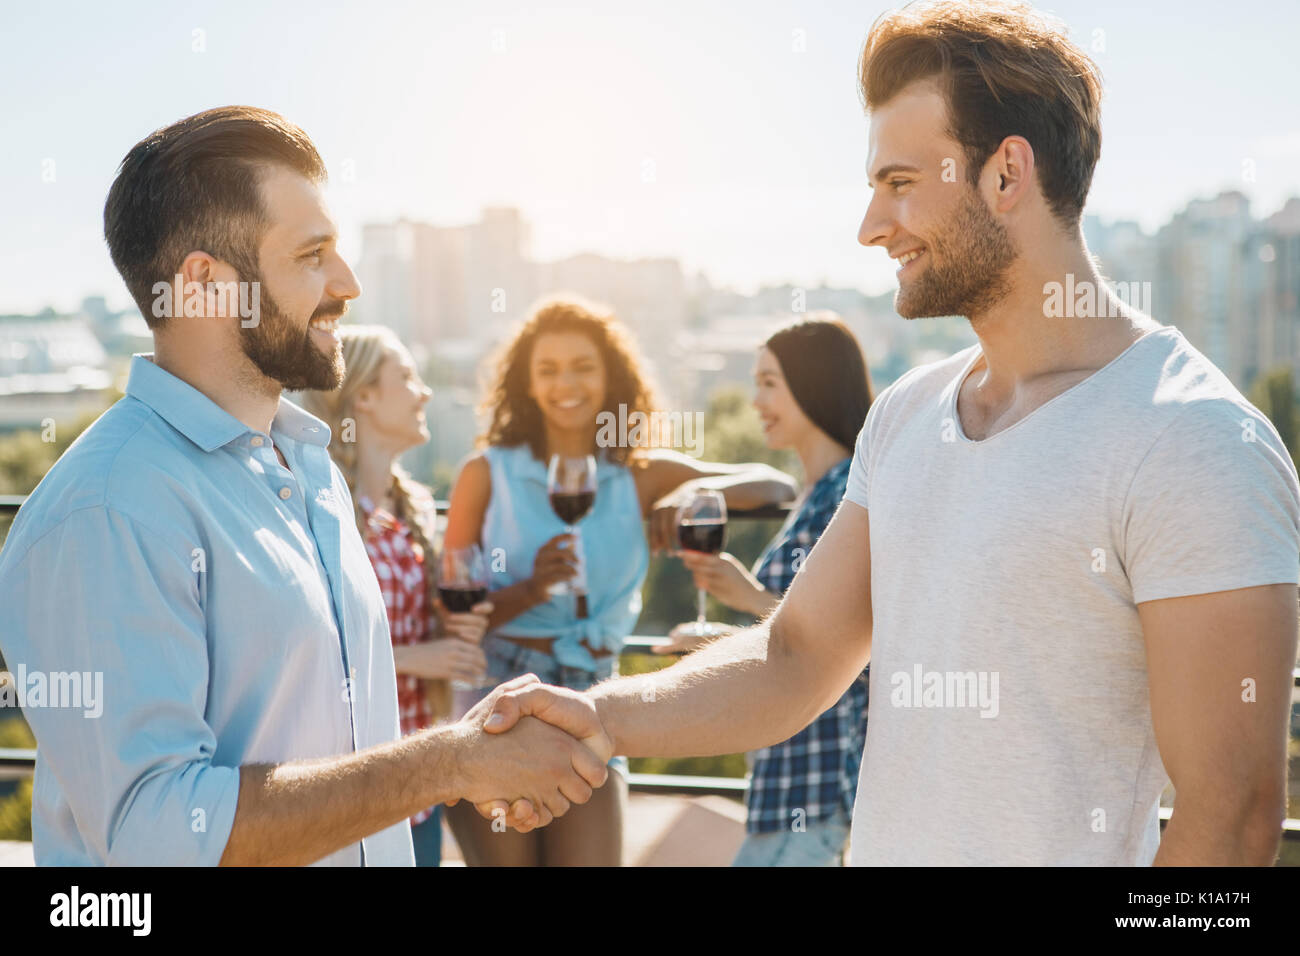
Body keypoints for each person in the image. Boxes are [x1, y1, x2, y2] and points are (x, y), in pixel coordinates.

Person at [471, 1, 1300, 866]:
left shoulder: (1194, 440)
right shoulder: (907, 414)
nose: (870, 226)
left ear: (1006, 174)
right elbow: (795, 656)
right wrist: (601, 719)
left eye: (899, 185)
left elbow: (1233, 822)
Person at [0, 106, 606, 866]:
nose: (347, 284)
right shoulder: (107, 511)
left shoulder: (309, 468)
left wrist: (469, 752)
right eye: (313, 254)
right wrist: (448, 763)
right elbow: (155, 838)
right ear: (206, 284)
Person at [442, 295, 799, 866]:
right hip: (498, 697)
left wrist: (691, 495)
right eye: (549, 369)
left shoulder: (638, 474)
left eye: (583, 366)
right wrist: (530, 589)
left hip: (594, 702)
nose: (567, 383)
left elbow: (774, 484)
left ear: (609, 376)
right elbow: (452, 616)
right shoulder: (485, 473)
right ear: (527, 383)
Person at [659, 314, 873, 866]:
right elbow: (792, 641)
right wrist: (723, 639)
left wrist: (748, 596)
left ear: (815, 386)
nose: (755, 401)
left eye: (770, 383)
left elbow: (858, 639)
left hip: (816, 779)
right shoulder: (811, 495)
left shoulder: (847, 499)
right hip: (784, 780)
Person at [299, 325, 494, 866]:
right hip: (348, 782)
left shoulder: (414, 510)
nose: (425, 392)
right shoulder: (320, 507)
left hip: (415, 780)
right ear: (362, 396)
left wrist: (453, 635)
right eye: (406, 377)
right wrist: (419, 659)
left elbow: (407, 630)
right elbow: (309, 653)